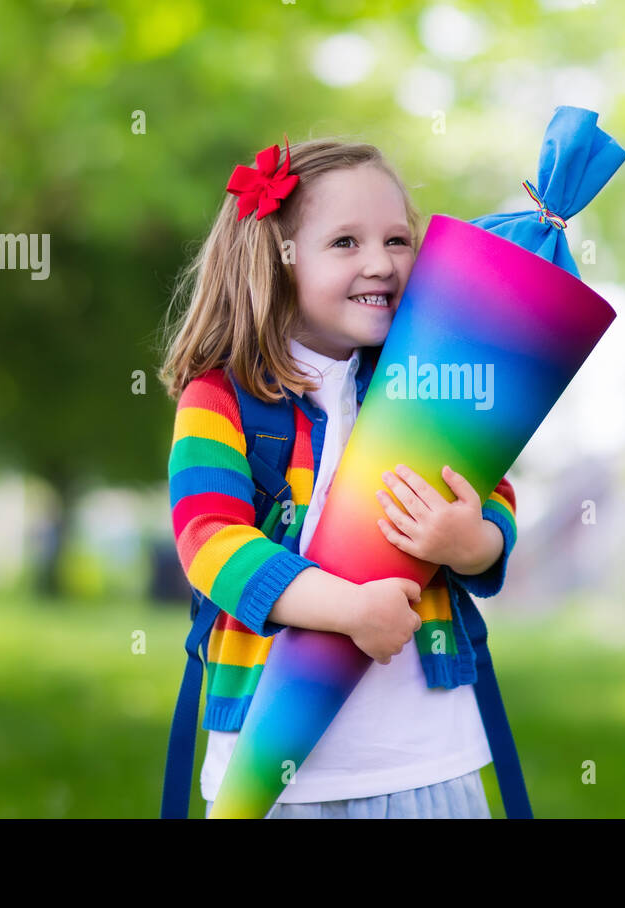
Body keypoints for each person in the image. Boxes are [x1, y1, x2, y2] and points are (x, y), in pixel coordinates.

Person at [157, 135, 519, 818]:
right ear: (276, 259)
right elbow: (209, 543)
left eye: (398, 240)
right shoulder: (223, 398)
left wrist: (469, 543)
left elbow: (493, 497)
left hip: (428, 761)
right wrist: (350, 610)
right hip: (277, 779)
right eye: (346, 243)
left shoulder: (425, 384)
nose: (381, 263)